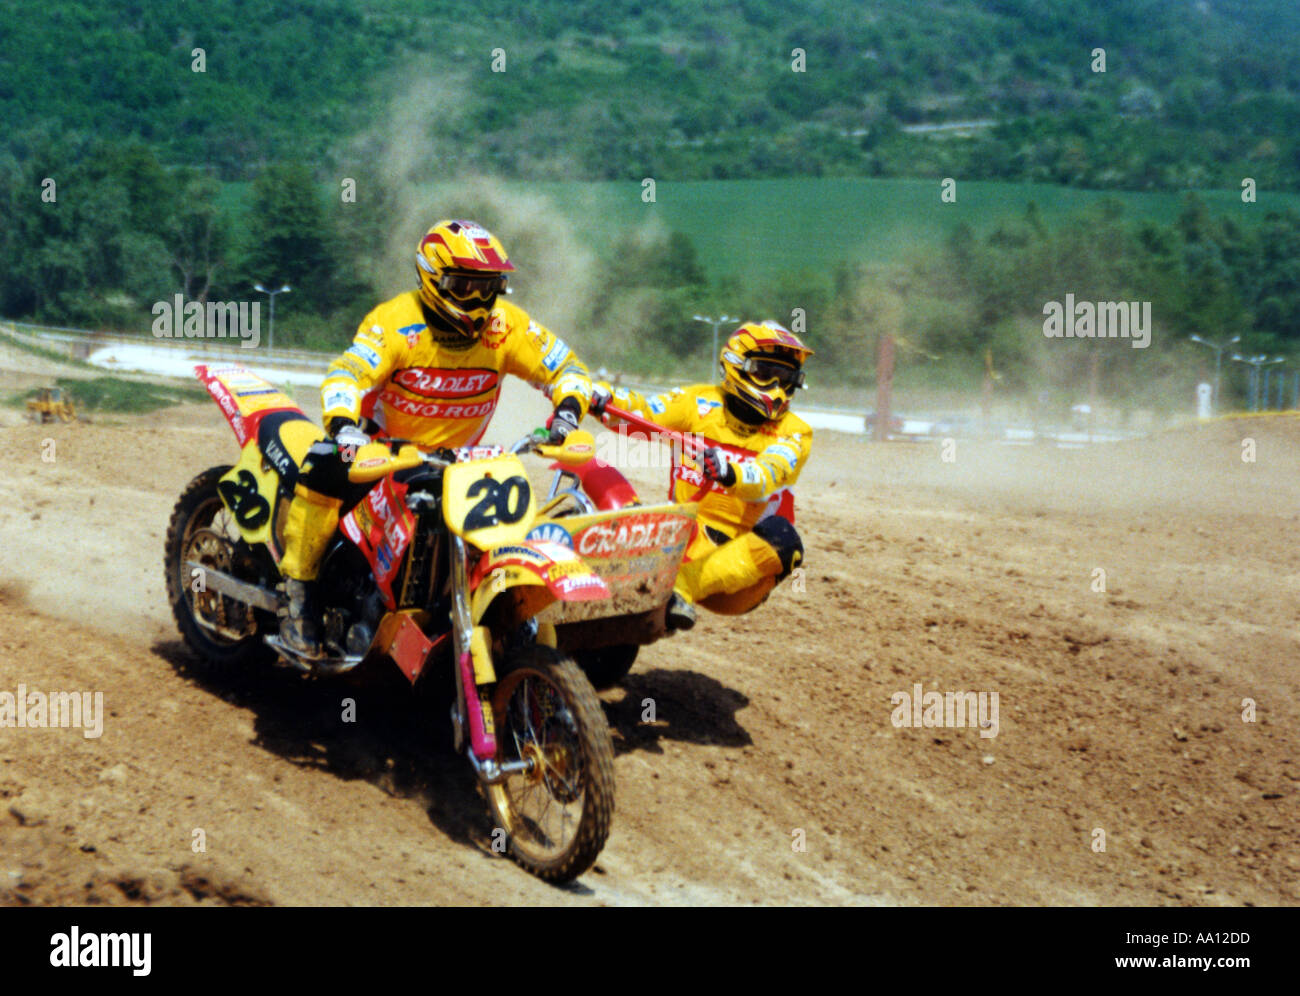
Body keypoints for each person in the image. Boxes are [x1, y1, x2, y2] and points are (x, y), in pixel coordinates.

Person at [277, 219, 595, 657]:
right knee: (323, 461)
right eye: (464, 286)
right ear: (432, 278)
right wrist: (343, 425)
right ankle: (300, 595)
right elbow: (347, 372)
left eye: (489, 286)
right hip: (379, 452)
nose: (479, 299)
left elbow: (569, 369)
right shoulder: (394, 322)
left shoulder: (506, 327)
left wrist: (566, 415)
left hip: (457, 463)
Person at [593, 320, 812, 630]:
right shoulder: (697, 402)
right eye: (765, 374)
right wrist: (605, 400)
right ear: (736, 366)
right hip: (684, 544)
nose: (776, 388)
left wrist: (728, 471)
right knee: (617, 498)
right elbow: (642, 414)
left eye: (786, 379)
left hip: (740, 578)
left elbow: (767, 474)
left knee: (785, 538)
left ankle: (681, 586)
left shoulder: (796, 432)